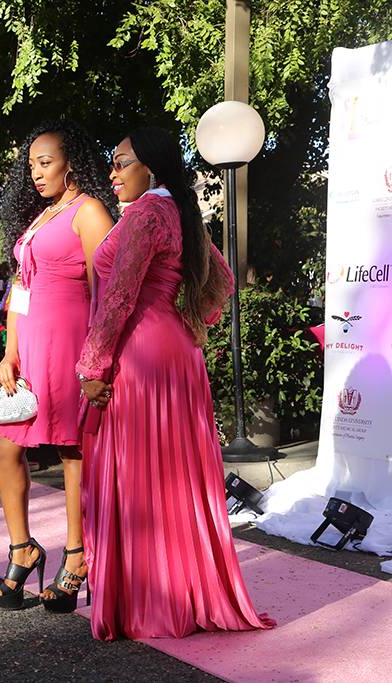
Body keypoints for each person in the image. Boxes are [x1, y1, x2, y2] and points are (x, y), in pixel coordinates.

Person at [76, 127, 274, 640]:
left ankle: (153, 603)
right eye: (112, 163)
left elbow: (118, 295)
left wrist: (91, 367)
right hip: (176, 352)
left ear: (151, 167)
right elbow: (225, 280)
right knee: (174, 476)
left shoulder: (145, 213)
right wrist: (191, 322)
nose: (112, 173)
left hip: (141, 354)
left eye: (121, 163)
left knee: (143, 474)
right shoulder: (178, 209)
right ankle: (181, 592)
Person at [0, 120, 117, 611]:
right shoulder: (40, 217)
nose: (35, 172)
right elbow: (21, 290)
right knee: (2, 438)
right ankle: (23, 546)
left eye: (45, 162)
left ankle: (77, 555)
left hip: (71, 345)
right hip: (29, 348)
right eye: (31, 164)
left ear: (71, 162)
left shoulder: (89, 211)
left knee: (69, 448)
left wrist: (97, 360)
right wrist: (9, 353)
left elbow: (110, 293)